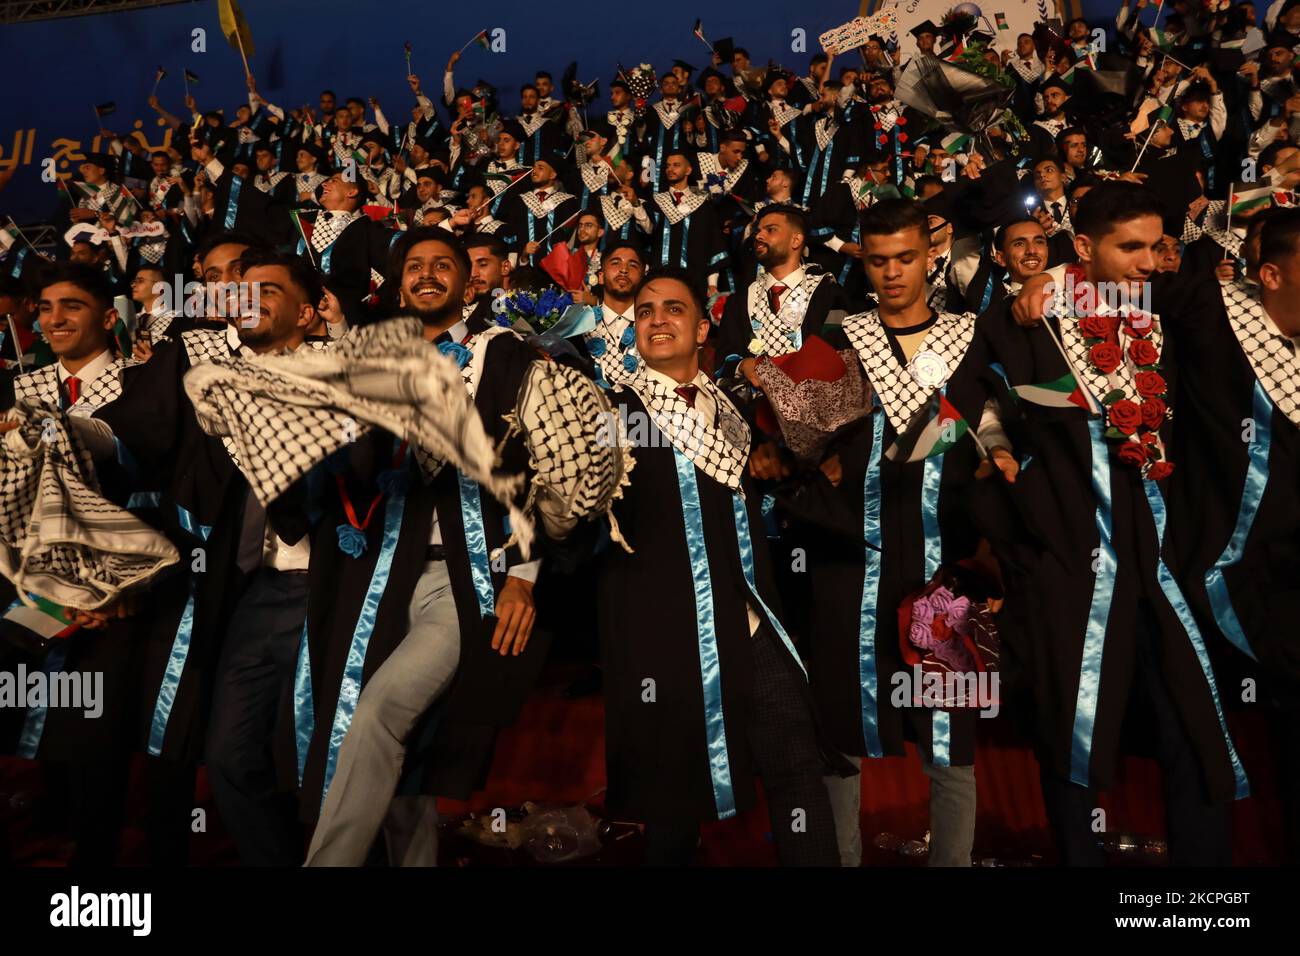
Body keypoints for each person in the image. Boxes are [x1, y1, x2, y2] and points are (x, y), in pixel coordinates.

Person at [544, 266, 842, 866]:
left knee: (795, 765)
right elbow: (577, 520)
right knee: (671, 797)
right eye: (646, 311)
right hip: (663, 632)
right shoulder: (615, 414)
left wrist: (804, 472)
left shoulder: (739, 410)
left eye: (673, 309)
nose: (657, 319)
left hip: (753, 620)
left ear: (702, 326)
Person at [998, 182, 1248, 865]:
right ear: (1082, 246)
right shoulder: (1022, 319)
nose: (1147, 262)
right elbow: (987, 417)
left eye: (1156, 246)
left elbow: (1204, 299)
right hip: (1078, 563)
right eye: (1129, 247)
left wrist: (1064, 277)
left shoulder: (1166, 304)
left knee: (1190, 724)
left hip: (1168, 558)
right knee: (1078, 728)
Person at [779, 199, 1016, 867]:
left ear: (930, 256)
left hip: (946, 566)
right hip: (847, 563)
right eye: (878, 260)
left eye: (905, 258)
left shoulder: (971, 337)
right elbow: (796, 433)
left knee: (950, 749)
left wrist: (996, 450)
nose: (891, 273)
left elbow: (995, 413)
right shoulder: (838, 336)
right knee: (840, 742)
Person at [300, 229, 546, 866]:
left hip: (465, 579)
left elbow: (542, 466)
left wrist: (524, 570)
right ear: (398, 282)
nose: (428, 275)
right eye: (414, 266)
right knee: (396, 753)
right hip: (378, 570)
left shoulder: (509, 355)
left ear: (471, 283)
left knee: (381, 711)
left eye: (444, 265)